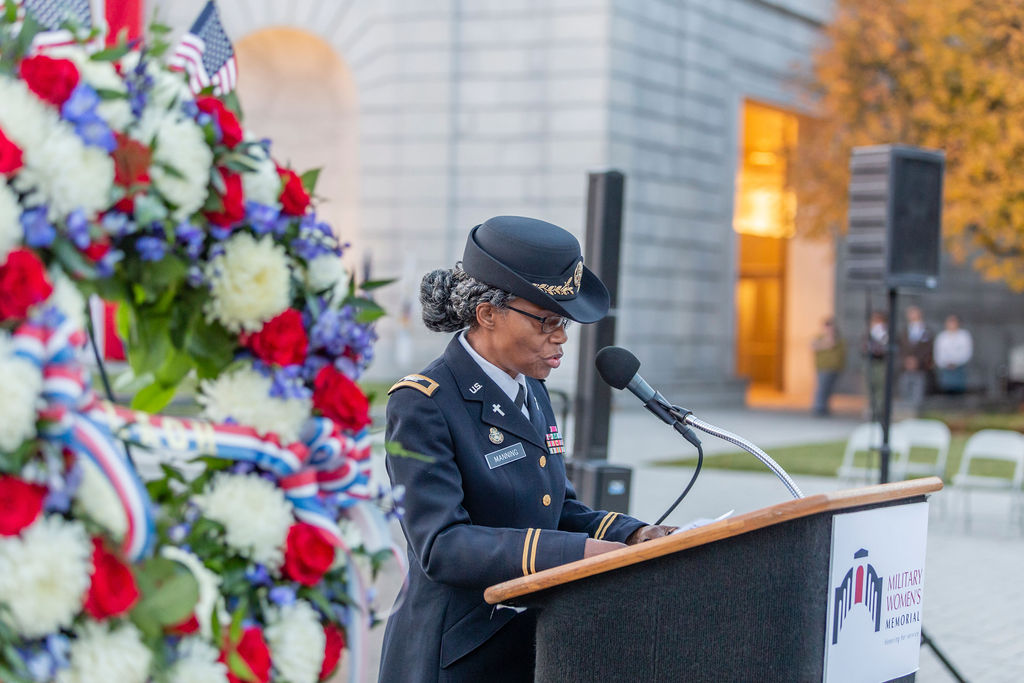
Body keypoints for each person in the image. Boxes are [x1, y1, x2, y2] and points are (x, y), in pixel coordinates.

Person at [379, 216, 676, 682]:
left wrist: (635, 536)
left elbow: (554, 508)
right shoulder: (423, 403)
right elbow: (443, 545)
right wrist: (580, 553)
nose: (560, 337)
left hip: (529, 643)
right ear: (488, 314)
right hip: (455, 657)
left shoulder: (529, 388)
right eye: (547, 321)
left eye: (563, 323)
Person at [898, 305, 934, 409]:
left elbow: (928, 348)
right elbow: (901, 347)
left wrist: (917, 360)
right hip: (905, 367)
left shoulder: (926, 331)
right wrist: (906, 361)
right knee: (905, 392)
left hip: (920, 367)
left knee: (918, 394)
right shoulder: (904, 331)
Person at [811, 317, 845, 416]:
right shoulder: (819, 338)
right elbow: (814, 346)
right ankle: (819, 407)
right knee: (822, 387)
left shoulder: (838, 338)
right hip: (823, 367)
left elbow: (839, 349)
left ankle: (825, 406)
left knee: (829, 389)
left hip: (835, 367)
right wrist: (826, 341)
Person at [934, 314, 972, 394]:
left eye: (953, 322)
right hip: (945, 369)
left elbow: (966, 353)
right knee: (946, 391)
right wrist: (946, 363)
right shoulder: (942, 337)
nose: (951, 324)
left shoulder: (964, 336)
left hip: (959, 369)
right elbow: (938, 354)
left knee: (958, 392)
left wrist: (955, 362)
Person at [862, 311, 888, 420]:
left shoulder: (885, 332)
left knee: (880, 388)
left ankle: (879, 411)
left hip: (881, 362)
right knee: (870, 387)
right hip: (870, 362)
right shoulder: (869, 332)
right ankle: (871, 410)